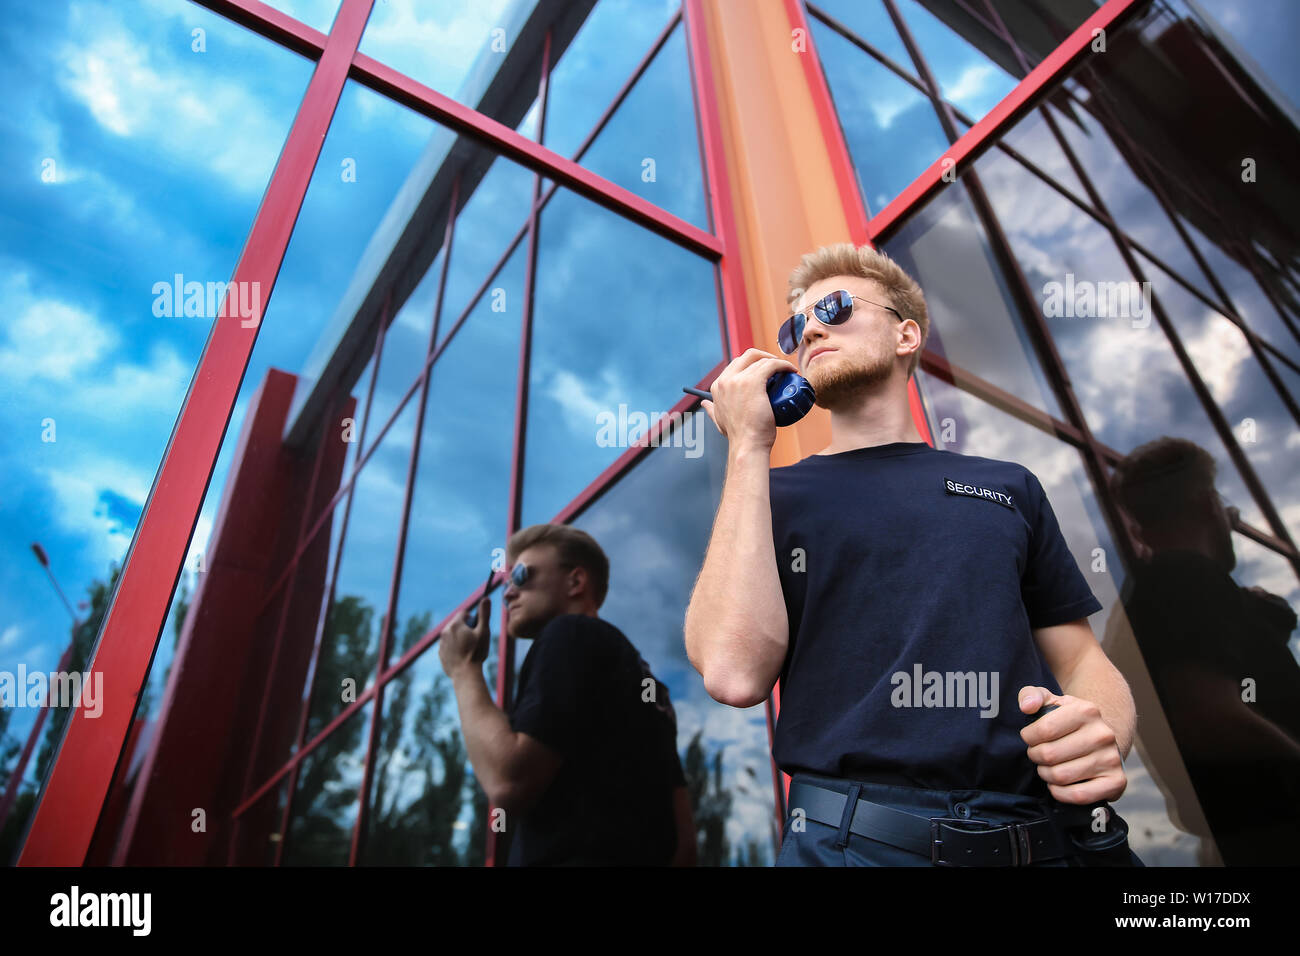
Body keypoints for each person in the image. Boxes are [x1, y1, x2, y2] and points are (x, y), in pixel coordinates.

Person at [684, 241, 1141, 866]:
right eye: (796, 327)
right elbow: (733, 674)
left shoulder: (1010, 487)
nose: (811, 328)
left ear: (905, 335)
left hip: (1040, 837)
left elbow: (1084, 662)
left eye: (837, 307)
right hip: (850, 844)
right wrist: (747, 449)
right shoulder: (767, 492)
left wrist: (1102, 735)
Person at [439, 523, 696, 866]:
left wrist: (464, 669)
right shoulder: (652, 689)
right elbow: (685, 846)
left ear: (576, 581)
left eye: (520, 575)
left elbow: (508, 782)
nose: (508, 594)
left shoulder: (570, 633)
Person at [1103, 436, 1300, 865]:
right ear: (1210, 503)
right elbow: (1209, 721)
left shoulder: (1161, 589)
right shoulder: (1184, 576)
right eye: (1223, 505)